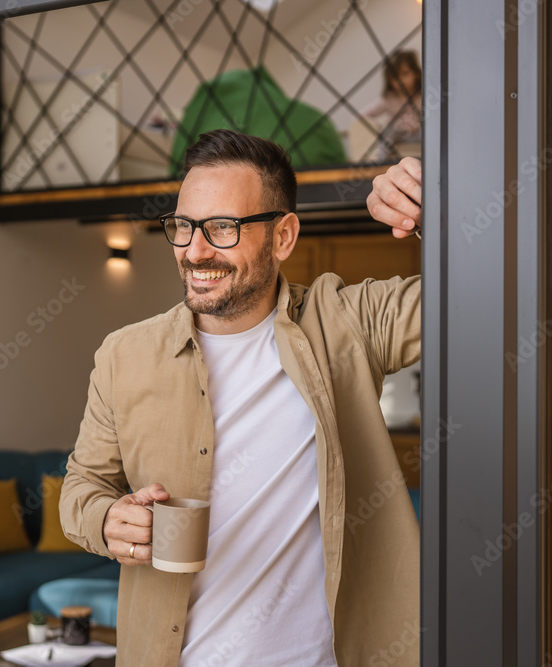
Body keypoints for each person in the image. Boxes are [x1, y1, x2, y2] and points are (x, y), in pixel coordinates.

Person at [60, 130, 423, 666]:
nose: (194, 250)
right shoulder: (123, 356)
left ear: (282, 236)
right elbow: (81, 488)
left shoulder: (348, 324)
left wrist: (435, 199)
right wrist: (107, 518)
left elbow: (486, 296)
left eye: (222, 228)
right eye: (182, 227)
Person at [359, 50, 423, 162]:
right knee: (389, 132)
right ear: (389, 80)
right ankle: (380, 162)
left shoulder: (423, 95)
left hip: (420, 133)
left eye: (405, 74)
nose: (400, 80)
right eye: (395, 77)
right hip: (400, 135)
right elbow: (365, 114)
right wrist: (378, 127)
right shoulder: (389, 99)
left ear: (416, 73)